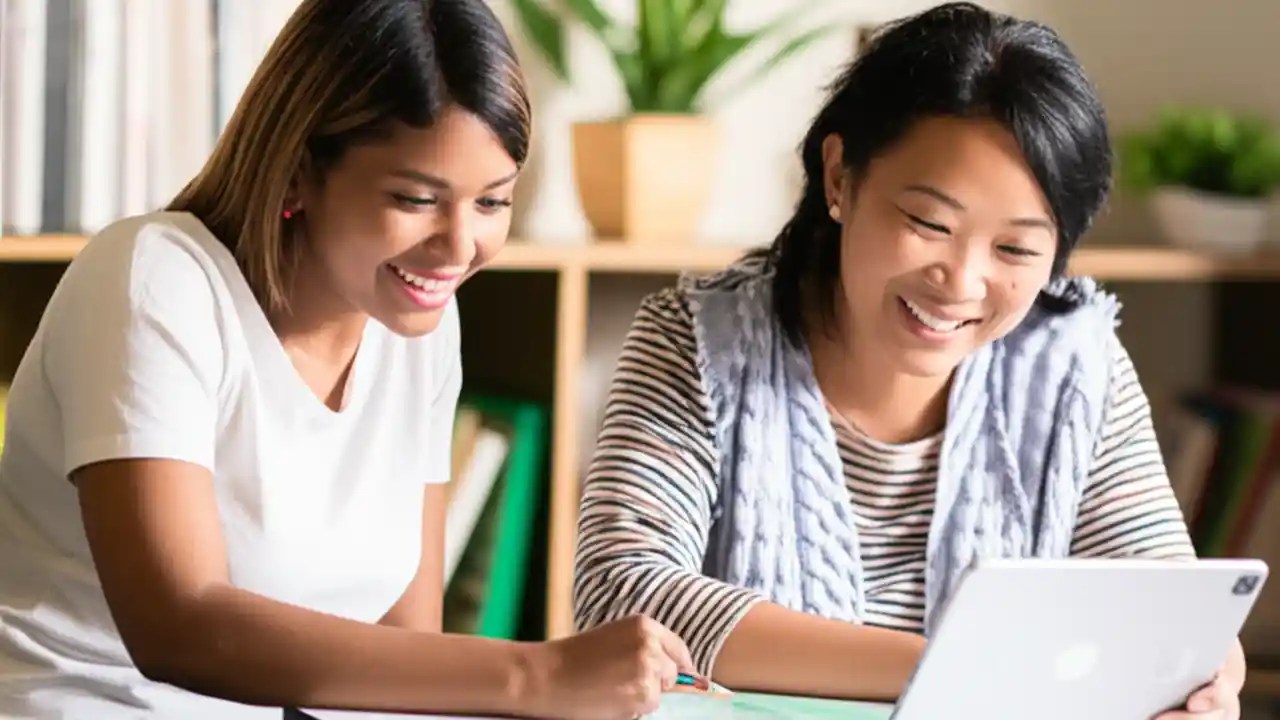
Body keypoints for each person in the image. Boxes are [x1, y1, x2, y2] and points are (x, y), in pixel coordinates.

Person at [0, 1, 695, 718]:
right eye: (417, 198)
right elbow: (179, 626)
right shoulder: (155, 278)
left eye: (492, 202)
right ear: (298, 171)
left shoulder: (420, 325)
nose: (459, 247)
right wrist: (534, 676)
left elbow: (408, 648)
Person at [572, 3, 1246, 719]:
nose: (960, 283)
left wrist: (1205, 674)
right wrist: (949, 669)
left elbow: (1168, 602)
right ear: (839, 177)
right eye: (929, 223)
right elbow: (623, 592)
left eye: (1015, 249)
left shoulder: (1076, 368)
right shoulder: (696, 343)